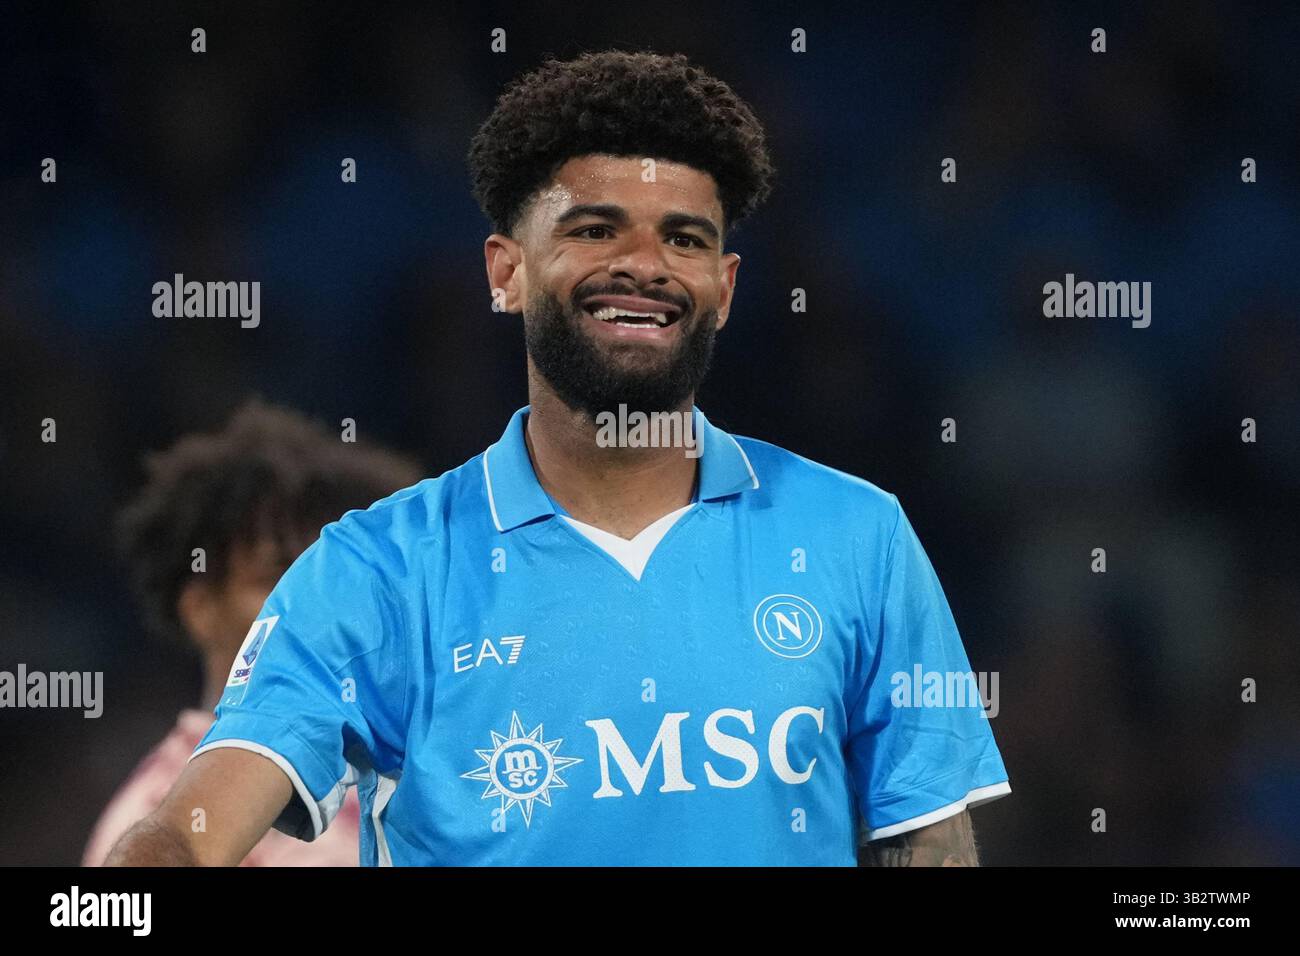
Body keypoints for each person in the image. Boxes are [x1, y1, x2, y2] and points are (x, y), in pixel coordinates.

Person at [107, 49, 1009, 867]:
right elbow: (185, 838)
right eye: (595, 230)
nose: (645, 265)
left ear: (724, 289)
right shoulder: (375, 570)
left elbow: (927, 841)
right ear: (507, 272)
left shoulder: (858, 535)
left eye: (685, 238)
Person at [85, 398, 421, 866]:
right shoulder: (159, 832)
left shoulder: (408, 777)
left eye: (329, 576)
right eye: (277, 576)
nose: (313, 602)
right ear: (201, 608)